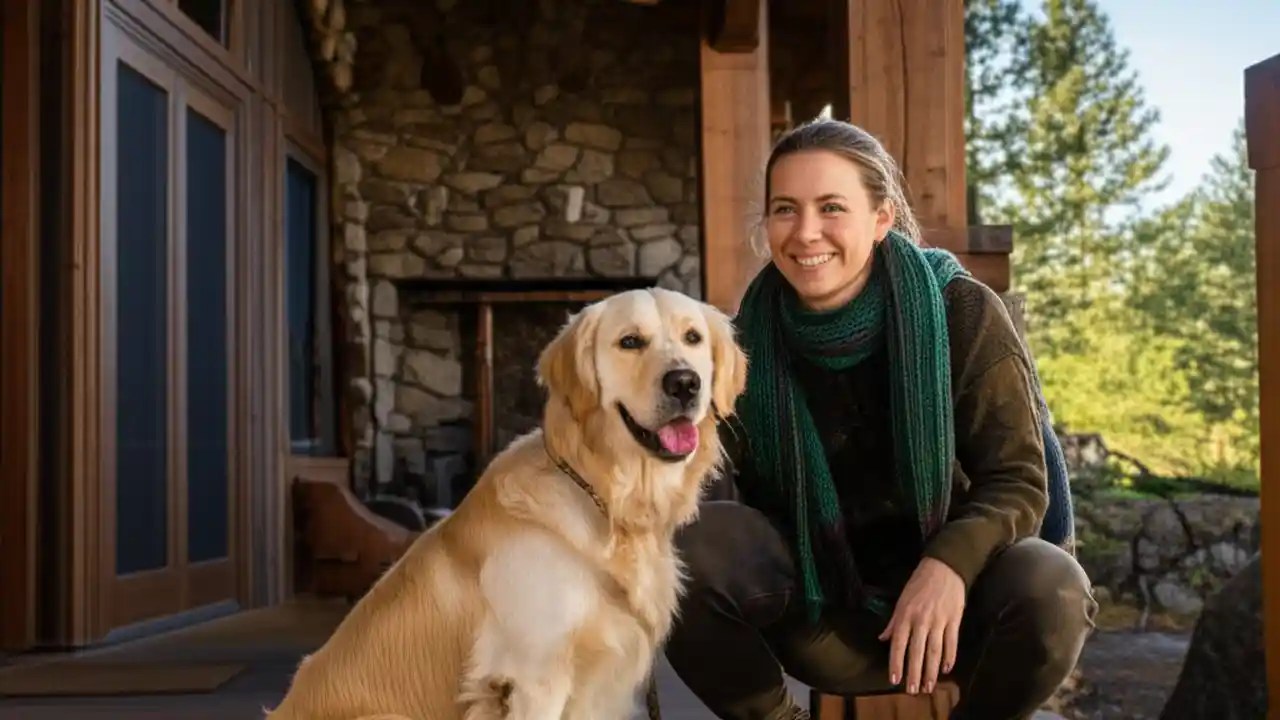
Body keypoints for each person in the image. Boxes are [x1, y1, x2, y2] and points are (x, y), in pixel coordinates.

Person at [663, 118, 1098, 720]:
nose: (806, 231)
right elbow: (701, 473)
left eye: (831, 207)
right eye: (785, 209)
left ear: (882, 219)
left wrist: (946, 565)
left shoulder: (959, 310)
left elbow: (1018, 480)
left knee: (1052, 585)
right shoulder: (745, 346)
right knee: (687, 545)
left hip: (962, 608)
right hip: (828, 617)